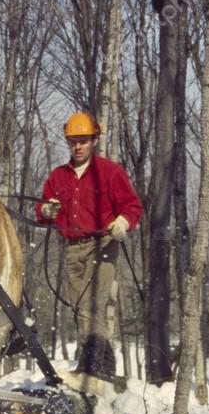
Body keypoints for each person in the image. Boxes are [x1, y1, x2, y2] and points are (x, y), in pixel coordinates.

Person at [35, 111, 144, 395]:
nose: (78, 147)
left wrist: (122, 222)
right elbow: (43, 209)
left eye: (83, 141)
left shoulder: (110, 172)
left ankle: (91, 374)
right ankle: (103, 371)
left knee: (90, 307)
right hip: (72, 250)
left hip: (102, 246)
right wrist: (46, 210)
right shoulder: (58, 176)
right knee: (80, 311)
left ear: (94, 140)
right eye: (73, 141)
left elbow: (132, 207)